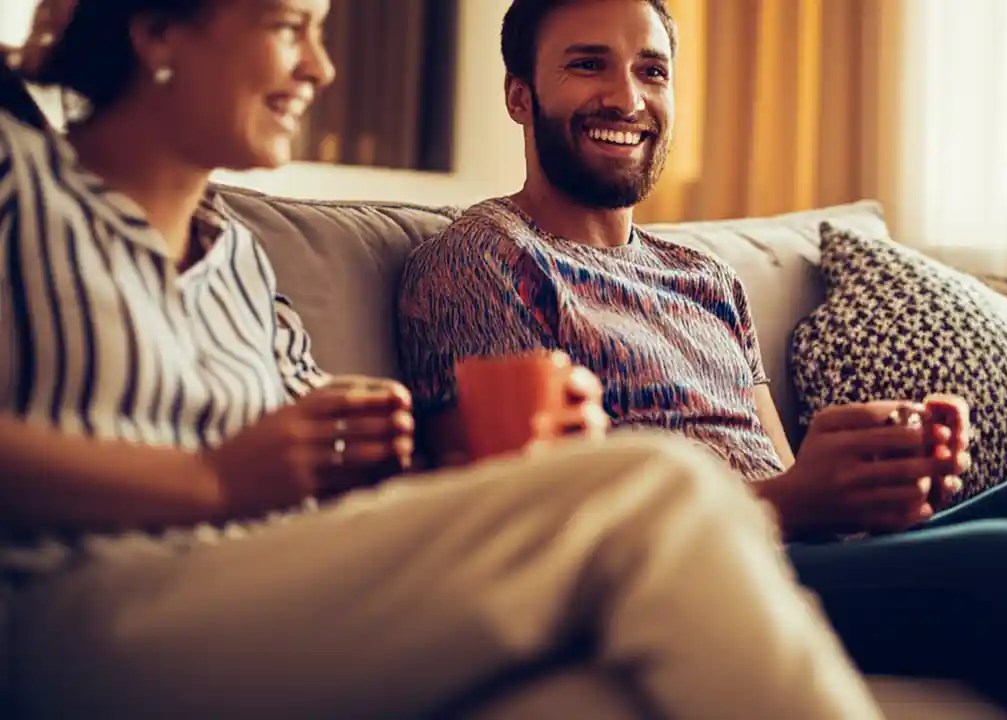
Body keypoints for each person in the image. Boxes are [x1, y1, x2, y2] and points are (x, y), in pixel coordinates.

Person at [0, 1, 888, 717]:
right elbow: (226, 481)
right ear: (157, 28)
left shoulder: (238, 260)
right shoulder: (19, 182)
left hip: (261, 595)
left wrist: (425, 459)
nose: (321, 69)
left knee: (587, 699)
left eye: (321, 33)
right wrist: (209, 483)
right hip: (71, 610)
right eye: (287, 28)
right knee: (656, 481)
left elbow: (344, 480)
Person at [396, 1, 1007, 717]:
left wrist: (873, 485)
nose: (627, 95)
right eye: (587, 64)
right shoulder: (486, 259)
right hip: (682, 577)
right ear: (519, 96)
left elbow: (778, 467)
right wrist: (791, 500)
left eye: (651, 69)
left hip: (787, 546)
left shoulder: (703, 275)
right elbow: (522, 530)